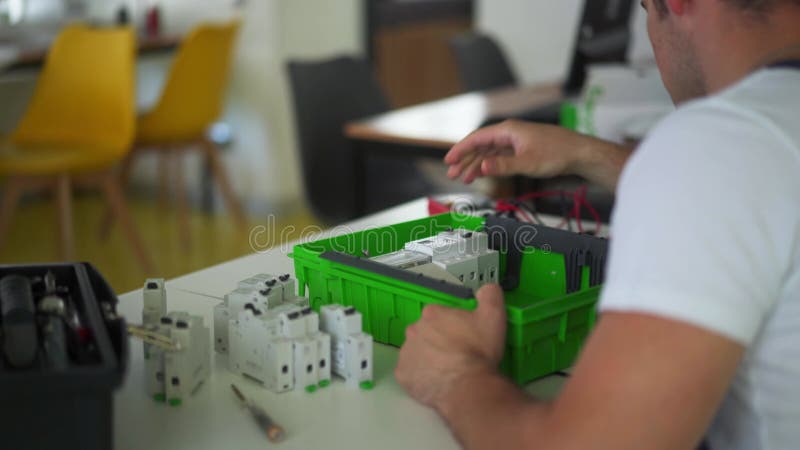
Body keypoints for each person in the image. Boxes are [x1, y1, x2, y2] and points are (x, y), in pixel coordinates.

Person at [394, 0, 800, 449]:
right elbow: (742, 192)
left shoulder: (721, 143)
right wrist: (587, 153)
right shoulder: (755, 141)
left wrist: (454, 375)